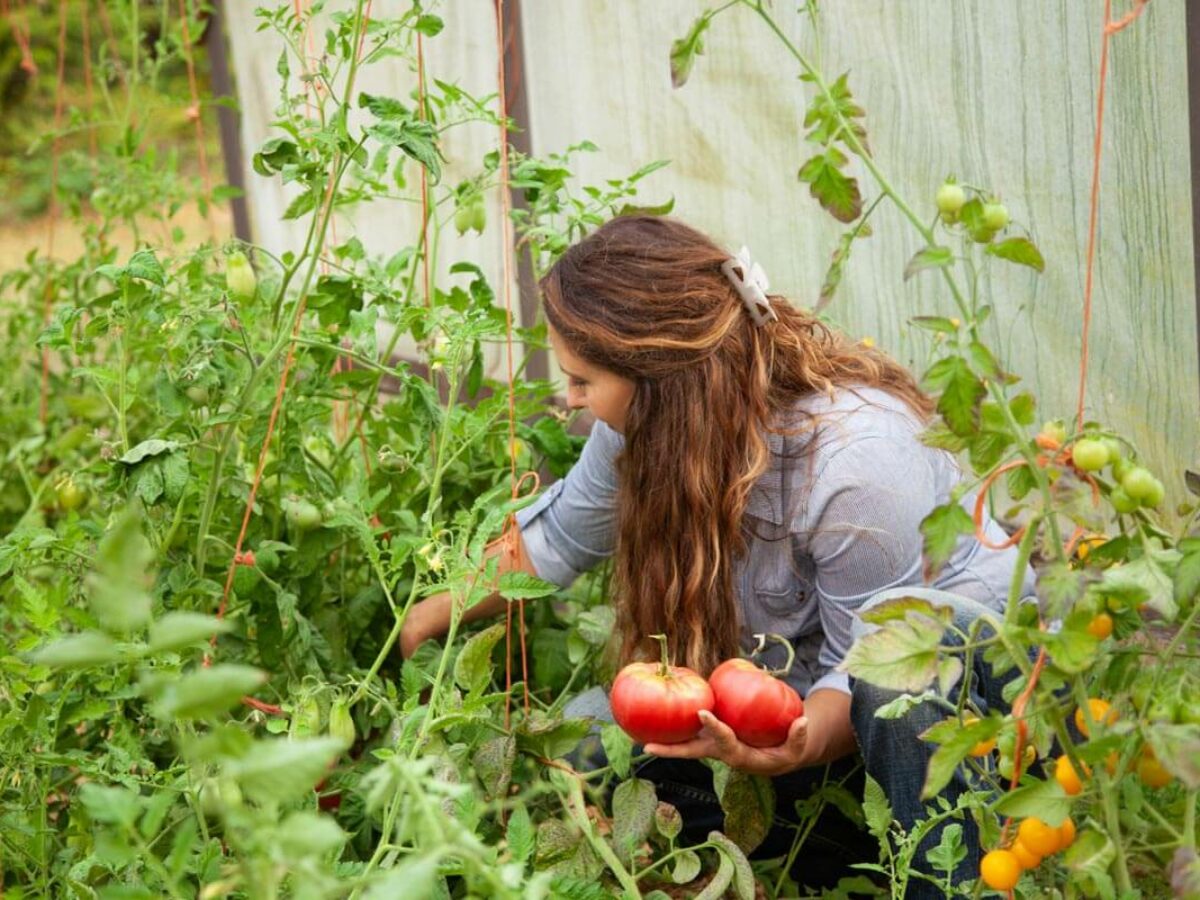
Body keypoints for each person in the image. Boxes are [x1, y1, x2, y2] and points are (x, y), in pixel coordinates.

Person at [399, 216, 1034, 894]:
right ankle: (800, 856)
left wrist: (784, 751)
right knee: (577, 747)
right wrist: (422, 621)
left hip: (944, 721)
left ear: (663, 384)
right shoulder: (644, 431)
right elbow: (555, 539)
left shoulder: (858, 465)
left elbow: (867, 672)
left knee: (900, 687)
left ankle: (946, 881)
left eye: (583, 381)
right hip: (780, 715)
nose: (571, 400)